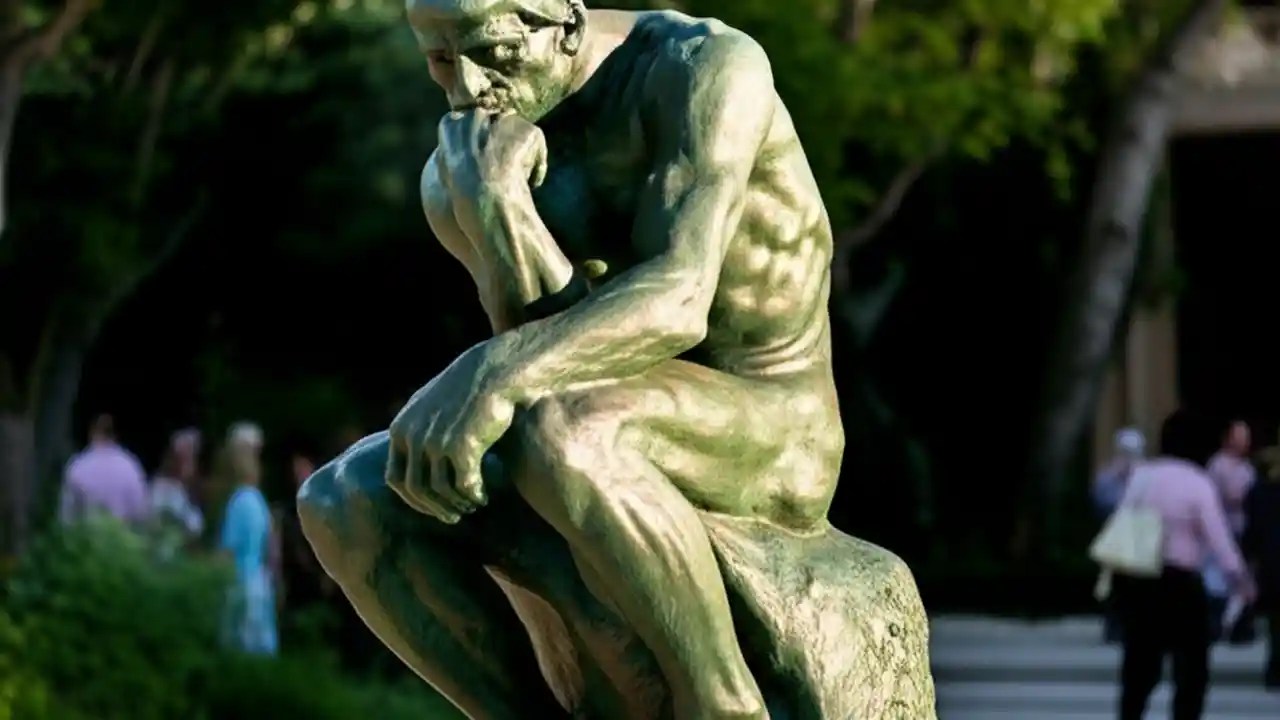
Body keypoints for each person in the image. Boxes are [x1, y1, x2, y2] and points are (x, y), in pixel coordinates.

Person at [298, 2, 844, 717]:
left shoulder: (699, 70)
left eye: (492, 52)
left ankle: (722, 701)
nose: (467, 88)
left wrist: (487, 371)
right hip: (598, 415)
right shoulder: (464, 169)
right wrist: (499, 209)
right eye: (440, 61)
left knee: (565, 427)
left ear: (566, 23)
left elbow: (681, 299)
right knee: (346, 500)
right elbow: (542, 348)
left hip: (767, 417)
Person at [1113, 410, 1256, 720]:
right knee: (1191, 672)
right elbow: (1220, 541)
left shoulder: (1142, 476)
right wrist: (1241, 580)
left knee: (1138, 670)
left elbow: (1121, 522)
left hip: (1141, 581)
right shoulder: (1197, 483)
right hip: (1181, 584)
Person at [218, 432, 278, 656]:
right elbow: (271, 549)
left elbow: (227, 551)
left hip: (239, 583)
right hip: (260, 583)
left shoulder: (239, 502)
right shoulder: (258, 501)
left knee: (237, 651)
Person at [1094, 427, 1146, 643]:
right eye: (1125, 451)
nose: (1128, 457)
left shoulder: (1147, 476)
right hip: (1115, 539)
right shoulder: (1107, 477)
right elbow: (1100, 504)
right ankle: (1113, 627)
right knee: (1114, 585)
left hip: (1141, 537)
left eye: (1133, 452)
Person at [59, 414, 149, 527]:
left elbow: (66, 518)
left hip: (85, 540)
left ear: (91, 431)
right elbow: (141, 514)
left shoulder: (78, 466)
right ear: (115, 435)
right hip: (122, 539)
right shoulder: (131, 467)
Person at [1244, 442, 1280, 690]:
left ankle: (1275, 669)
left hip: (1272, 562)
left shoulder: (1260, 490)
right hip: (1271, 559)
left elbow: (1252, 529)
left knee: (1276, 622)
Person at [149, 427, 205, 558]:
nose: (191, 464)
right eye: (186, 458)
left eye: (193, 457)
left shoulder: (189, 490)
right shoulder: (162, 489)